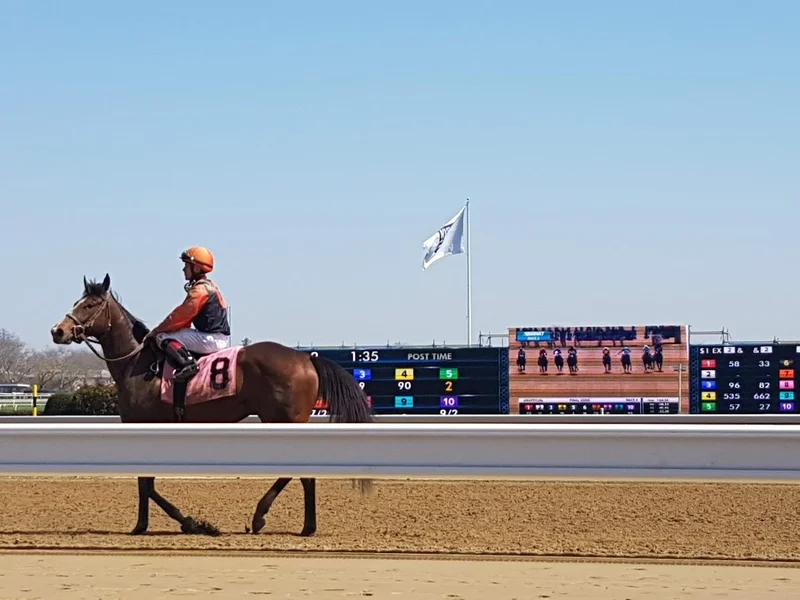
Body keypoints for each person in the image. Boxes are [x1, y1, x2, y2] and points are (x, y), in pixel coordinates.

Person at [143, 246, 231, 381]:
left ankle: (188, 363)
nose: (183, 269)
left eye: (186, 265)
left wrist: (155, 331)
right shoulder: (208, 285)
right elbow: (184, 320)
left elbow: (179, 316)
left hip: (210, 339)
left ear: (196, 268)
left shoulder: (200, 290)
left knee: (161, 337)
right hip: (215, 337)